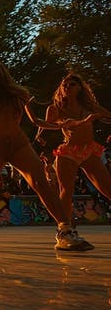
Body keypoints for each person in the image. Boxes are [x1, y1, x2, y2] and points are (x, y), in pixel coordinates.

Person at [0, 57, 92, 251]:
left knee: (41, 183)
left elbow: (36, 121)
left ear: (1, 74)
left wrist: (66, 124)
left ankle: (65, 231)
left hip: (19, 144)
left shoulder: (19, 94)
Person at [36, 73, 111, 227]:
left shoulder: (89, 107)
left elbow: (108, 116)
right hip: (68, 152)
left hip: (89, 150)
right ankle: (65, 227)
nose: (68, 87)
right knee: (66, 190)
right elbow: (44, 125)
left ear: (80, 89)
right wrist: (40, 136)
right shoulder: (56, 108)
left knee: (107, 187)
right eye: (65, 85)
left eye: (72, 85)